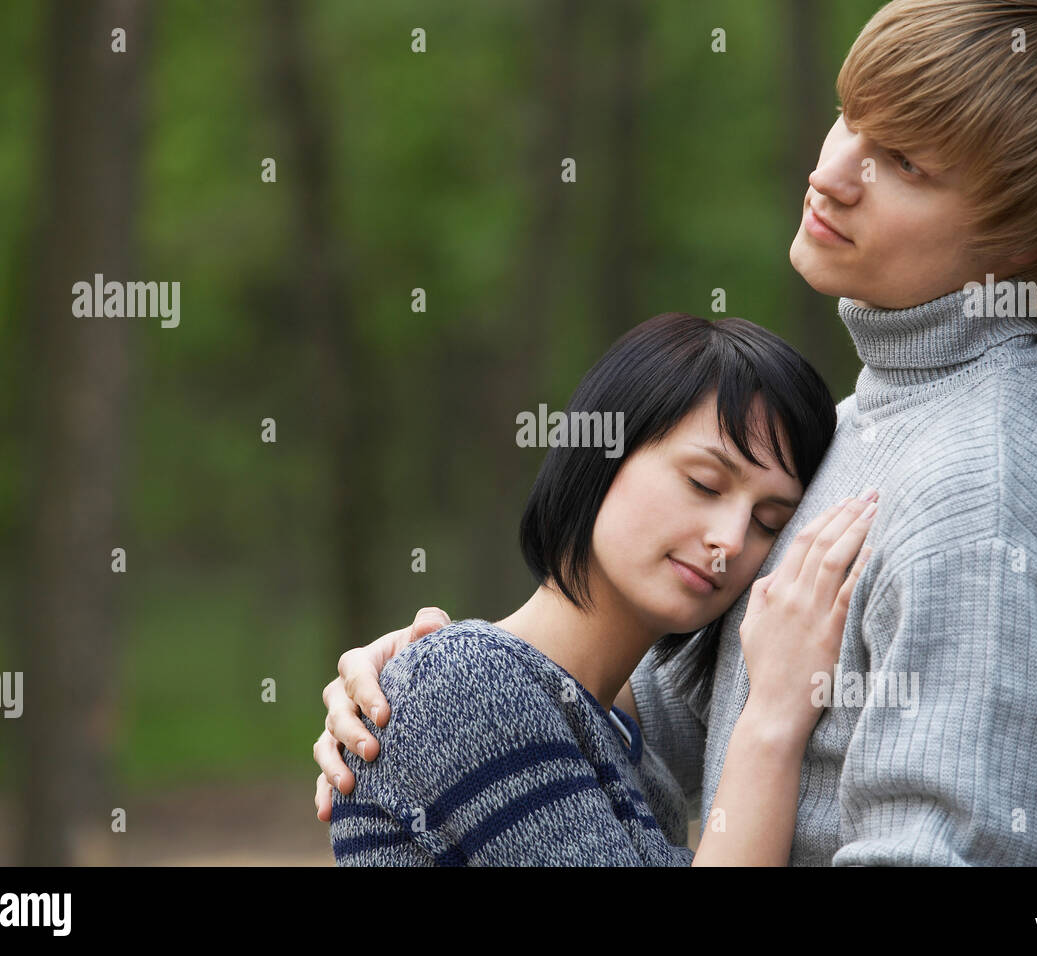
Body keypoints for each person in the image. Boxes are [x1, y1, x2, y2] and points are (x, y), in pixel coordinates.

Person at [317, 0, 1037, 865]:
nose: (832, 174)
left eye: (903, 163)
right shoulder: (852, 432)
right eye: (849, 119)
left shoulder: (985, 490)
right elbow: (653, 736)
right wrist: (428, 692)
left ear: (1018, 240)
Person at [328, 312, 868, 865]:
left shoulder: (633, 759)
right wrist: (772, 718)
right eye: (704, 484)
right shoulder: (465, 682)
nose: (729, 541)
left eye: (768, 523)